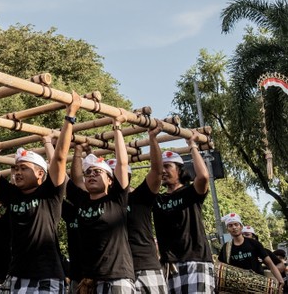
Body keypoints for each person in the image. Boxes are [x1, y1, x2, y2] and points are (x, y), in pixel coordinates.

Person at [0, 94, 82, 294]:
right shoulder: (11, 194)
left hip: (47, 275)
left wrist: (70, 115)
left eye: (23, 168)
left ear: (41, 174)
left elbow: (59, 159)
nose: (17, 172)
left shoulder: (50, 193)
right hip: (17, 275)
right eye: (15, 169)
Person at [65, 113, 133, 292]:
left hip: (117, 277)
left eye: (98, 172)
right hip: (90, 281)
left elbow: (122, 164)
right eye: (89, 173)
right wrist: (53, 143)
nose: (92, 175)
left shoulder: (116, 199)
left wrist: (117, 127)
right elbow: (61, 176)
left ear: (110, 180)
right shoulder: (82, 200)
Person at [152, 132, 214, 293]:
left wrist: (192, 145)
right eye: (161, 167)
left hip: (195, 260)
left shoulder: (190, 192)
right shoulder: (158, 199)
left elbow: (204, 176)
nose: (163, 171)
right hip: (170, 264)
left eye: (167, 166)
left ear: (179, 170)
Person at [106, 125, 166, 293]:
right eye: (110, 176)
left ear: (127, 176)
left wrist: (152, 139)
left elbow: (157, 172)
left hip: (146, 266)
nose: (114, 180)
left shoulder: (140, 197)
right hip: (117, 271)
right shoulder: (102, 204)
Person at [218, 213, 284, 284]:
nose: (234, 227)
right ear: (227, 229)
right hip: (237, 287)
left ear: (241, 227)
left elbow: (270, 264)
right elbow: (219, 268)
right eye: (230, 225)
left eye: (236, 224)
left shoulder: (254, 244)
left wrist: (280, 280)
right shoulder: (226, 248)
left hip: (258, 285)